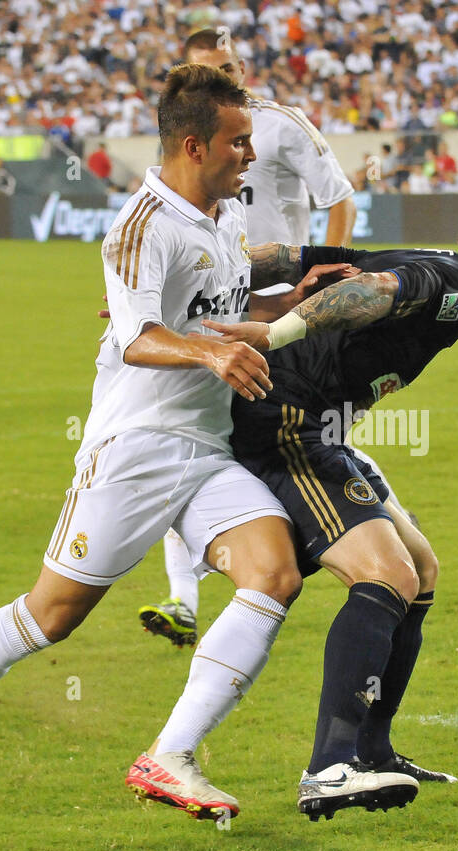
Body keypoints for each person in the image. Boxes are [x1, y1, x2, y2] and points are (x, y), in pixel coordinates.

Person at [0, 65, 378, 823]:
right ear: (196, 145)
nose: (252, 154)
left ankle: (169, 755)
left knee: (273, 574)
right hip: (135, 446)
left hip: (207, 451)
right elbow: (136, 335)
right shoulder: (141, 226)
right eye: (240, 143)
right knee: (51, 615)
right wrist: (209, 354)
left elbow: (239, 279)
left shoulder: (221, 213)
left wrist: (301, 280)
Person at [203, 199, 458, 819]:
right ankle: (329, 767)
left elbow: (297, 258)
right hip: (288, 424)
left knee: (421, 570)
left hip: (318, 427)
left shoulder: (439, 265)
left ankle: (373, 750)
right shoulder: (454, 284)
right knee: (388, 574)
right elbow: (374, 290)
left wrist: (195, 283)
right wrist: (272, 332)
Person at [141, 28, 361, 647]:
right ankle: (187, 596)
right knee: (192, 434)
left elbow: (338, 196)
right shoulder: (182, 143)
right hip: (214, 311)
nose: (225, 79)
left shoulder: (282, 126)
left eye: (230, 68)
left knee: (299, 432)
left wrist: (326, 276)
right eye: (209, 71)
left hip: (276, 308)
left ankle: (354, 519)